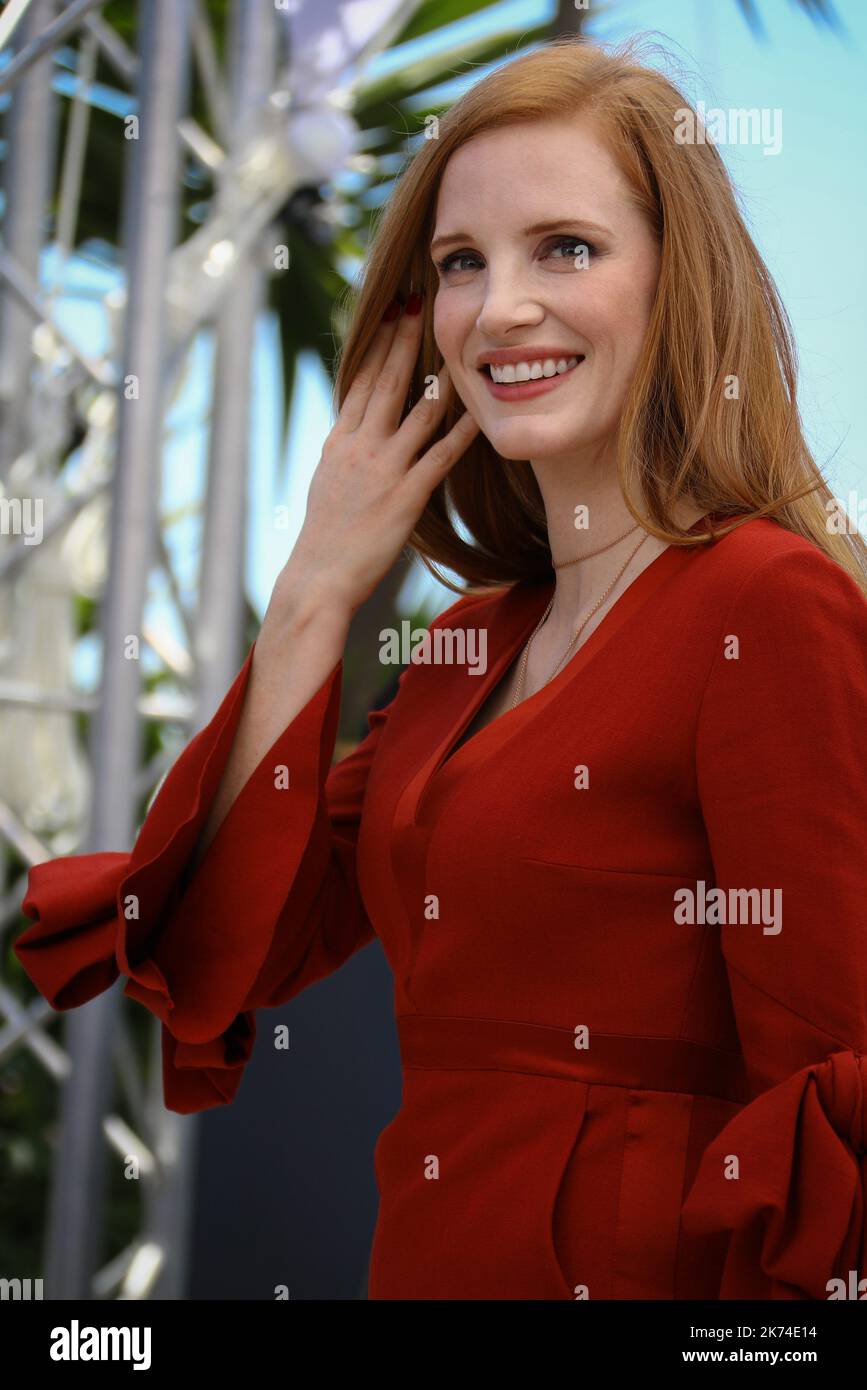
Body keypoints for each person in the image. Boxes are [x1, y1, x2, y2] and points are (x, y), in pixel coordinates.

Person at [15, 36, 867, 1301]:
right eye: (461, 263)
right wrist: (314, 588)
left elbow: (833, 1089)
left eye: (565, 247)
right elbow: (220, 954)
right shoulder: (471, 640)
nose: (501, 307)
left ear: (673, 281)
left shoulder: (766, 600)